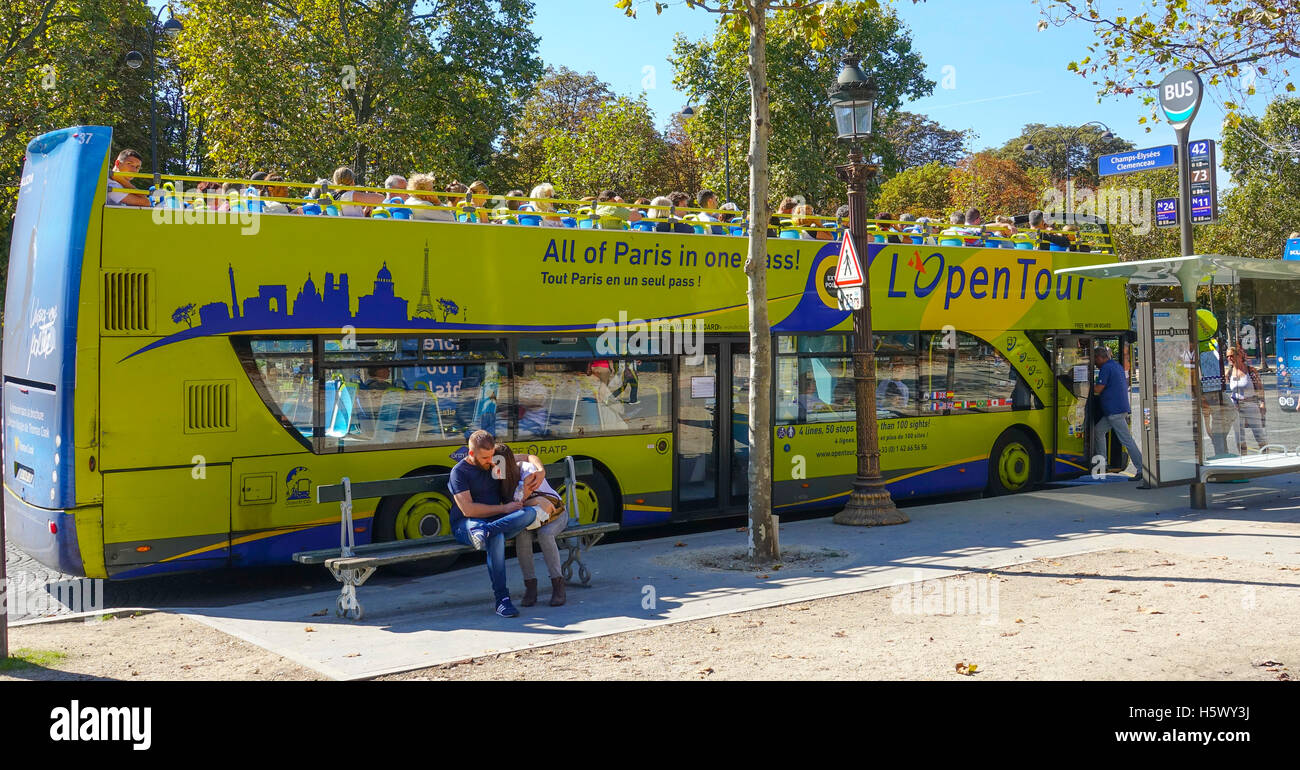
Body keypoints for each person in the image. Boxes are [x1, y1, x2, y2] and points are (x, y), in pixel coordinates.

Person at [448, 430, 544, 617]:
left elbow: (530, 456)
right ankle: (503, 600)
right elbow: (468, 510)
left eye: (492, 455)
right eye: (485, 457)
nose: (491, 461)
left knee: (530, 513)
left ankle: (486, 531)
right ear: (471, 454)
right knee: (496, 537)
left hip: (493, 523)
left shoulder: (495, 461)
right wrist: (504, 509)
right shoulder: (459, 472)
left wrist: (540, 471)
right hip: (466, 525)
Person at [497, 444, 570, 607]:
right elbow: (511, 506)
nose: (495, 469)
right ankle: (530, 587)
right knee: (522, 535)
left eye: (497, 464)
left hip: (555, 512)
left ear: (509, 462)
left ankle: (558, 585)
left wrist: (533, 500)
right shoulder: (499, 471)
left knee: (545, 534)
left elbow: (517, 502)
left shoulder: (527, 472)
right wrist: (535, 500)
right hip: (531, 516)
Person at [1092, 346, 1147, 487]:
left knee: (1126, 440)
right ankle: (1102, 463)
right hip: (1117, 409)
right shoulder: (1116, 365)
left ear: (1100, 357)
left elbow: (1098, 389)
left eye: (1095, 360)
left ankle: (1142, 469)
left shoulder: (1105, 368)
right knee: (1099, 431)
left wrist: (1084, 387)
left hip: (1114, 411)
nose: (1095, 364)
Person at [1197, 309, 1233, 457]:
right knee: (1224, 415)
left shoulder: (1212, 344)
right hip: (1208, 390)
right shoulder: (1197, 346)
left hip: (1216, 388)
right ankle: (1220, 450)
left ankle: (1220, 444)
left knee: (1229, 413)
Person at [1227, 346, 1267, 453]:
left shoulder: (1250, 370)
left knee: (1258, 433)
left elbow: (1260, 388)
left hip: (1251, 404)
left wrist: (1262, 403)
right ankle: (1243, 460)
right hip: (1236, 407)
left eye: (1232, 355)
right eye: (1228, 356)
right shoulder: (1230, 372)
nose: (1230, 358)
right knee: (1239, 436)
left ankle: (1266, 456)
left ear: (1239, 356)